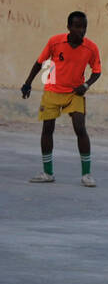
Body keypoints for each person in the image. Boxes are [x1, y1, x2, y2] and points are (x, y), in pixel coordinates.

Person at [19, 11, 101, 187]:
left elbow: (97, 71)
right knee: (48, 128)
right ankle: (47, 173)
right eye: (78, 26)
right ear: (69, 27)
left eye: (84, 27)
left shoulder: (91, 48)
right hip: (52, 90)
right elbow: (39, 62)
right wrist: (27, 83)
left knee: (80, 127)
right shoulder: (55, 41)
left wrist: (86, 85)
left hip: (74, 93)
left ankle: (86, 174)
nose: (82, 30)